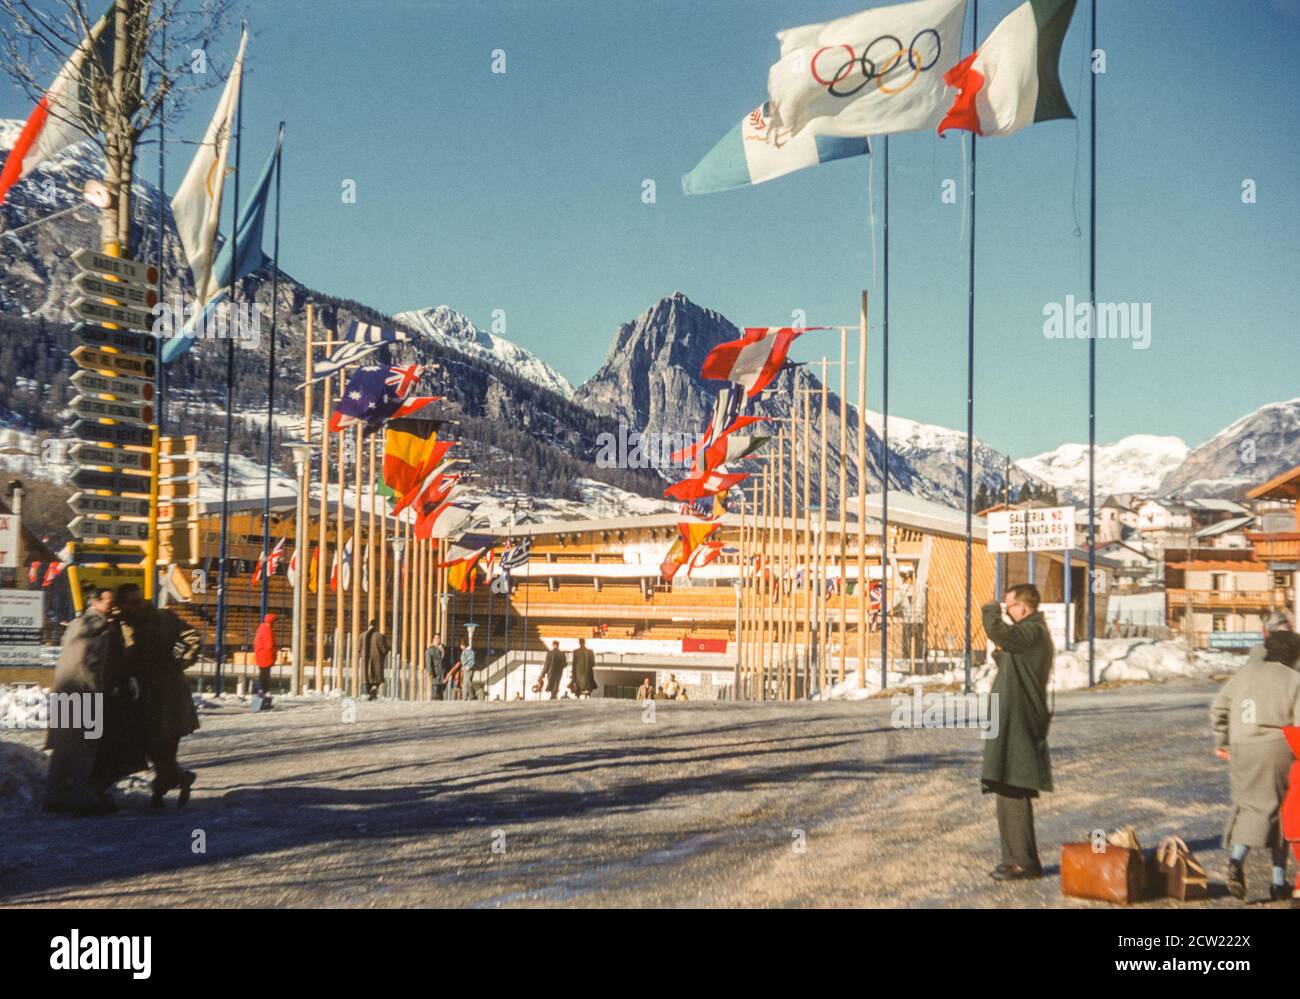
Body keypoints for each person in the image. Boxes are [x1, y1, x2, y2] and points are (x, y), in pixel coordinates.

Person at [1211, 629, 1300, 901]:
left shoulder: (1244, 674)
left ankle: (1244, 864)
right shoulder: (1294, 679)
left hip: (1241, 746)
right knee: (1280, 812)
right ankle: (1273, 880)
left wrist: (1223, 742)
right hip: (1277, 746)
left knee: (1249, 805)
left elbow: (1219, 709)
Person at [980, 583, 1054, 882]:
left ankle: (1023, 862)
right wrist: (1002, 655)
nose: (1007, 613)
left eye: (1009, 607)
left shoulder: (1032, 631)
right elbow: (1016, 665)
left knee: (1013, 785)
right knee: (1006, 786)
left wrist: (989, 610)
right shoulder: (1028, 634)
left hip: (1020, 719)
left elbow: (997, 631)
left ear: (1022, 607)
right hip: (1013, 718)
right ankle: (1015, 859)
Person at [115, 584, 200, 809]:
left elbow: (192, 636)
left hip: (168, 694)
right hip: (139, 695)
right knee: (151, 748)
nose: (138, 605)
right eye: (132, 602)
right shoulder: (119, 624)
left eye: (139, 600)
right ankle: (176, 780)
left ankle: (163, 790)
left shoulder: (163, 618)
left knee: (165, 745)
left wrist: (182, 661)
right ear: (122, 605)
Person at [44, 588, 120, 815]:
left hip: (65, 691)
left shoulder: (77, 623)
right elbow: (93, 664)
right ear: (96, 602)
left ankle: (53, 798)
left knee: (63, 750)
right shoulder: (98, 627)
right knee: (86, 750)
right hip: (86, 693)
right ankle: (82, 801)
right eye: (110, 600)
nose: (113, 604)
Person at [361, 619, 389, 701]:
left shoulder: (362, 635)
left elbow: (359, 649)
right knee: (377, 678)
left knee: (367, 677)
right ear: (376, 625)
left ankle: (369, 693)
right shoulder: (379, 636)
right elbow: (383, 649)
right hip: (376, 660)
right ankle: (373, 691)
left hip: (366, 662)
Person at [253, 613, 277, 696]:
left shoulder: (261, 629)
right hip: (266, 657)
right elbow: (269, 645)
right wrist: (274, 652)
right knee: (265, 677)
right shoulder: (268, 630)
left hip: (261, 656)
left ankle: (261, 691)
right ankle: (263, 692)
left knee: (262, 675)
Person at [426, 635, 446, 699]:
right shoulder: (430, 650)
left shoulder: (442, 649)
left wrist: (443, 652)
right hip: (435, 673)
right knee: (434, 692)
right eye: (436, 638)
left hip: (442, 673)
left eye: (439, 638)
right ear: (433, 639)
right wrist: (430, 672)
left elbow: (444, 661)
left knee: (441, 693)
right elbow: (428, 662)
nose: (438, 640)